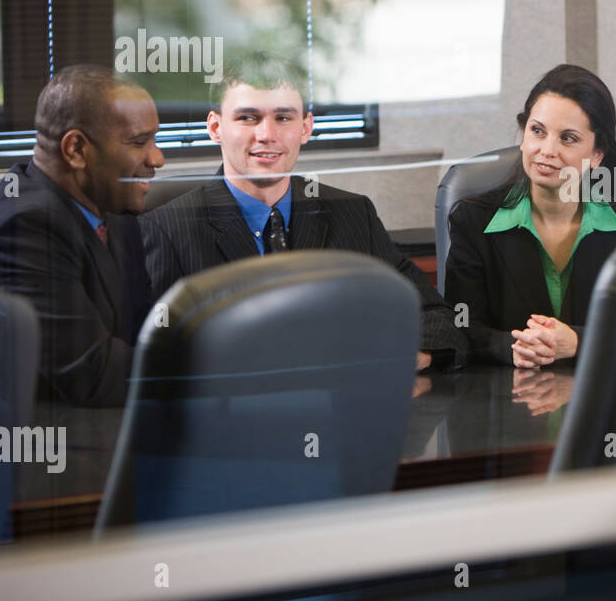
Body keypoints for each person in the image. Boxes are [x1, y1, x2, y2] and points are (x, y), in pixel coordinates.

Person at [140, 54, 466, 371]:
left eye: (283, 118)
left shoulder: (352, 213)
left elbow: (438, 319)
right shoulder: (168, 228)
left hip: (338, 413)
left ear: (305, 128)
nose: (267, 134)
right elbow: (151, 352)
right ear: (215, 127)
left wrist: (406, 356)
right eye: (248, 117)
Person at [0, 65, 164, 406]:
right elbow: (94, 376)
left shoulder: (110, 204)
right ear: (76, 150)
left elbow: (143, 327)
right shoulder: (23, 230)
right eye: (139, 141)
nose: (158, 158)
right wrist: (216, 361)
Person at [444, 64, 616, 367]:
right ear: (524, 135)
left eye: (568, 138)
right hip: (507, 401)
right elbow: (461, 326)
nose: (547, 150)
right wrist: (513, 346)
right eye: (537, 131)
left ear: (596, 154)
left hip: (604, 404)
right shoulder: (473, 222)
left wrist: (580, 341)